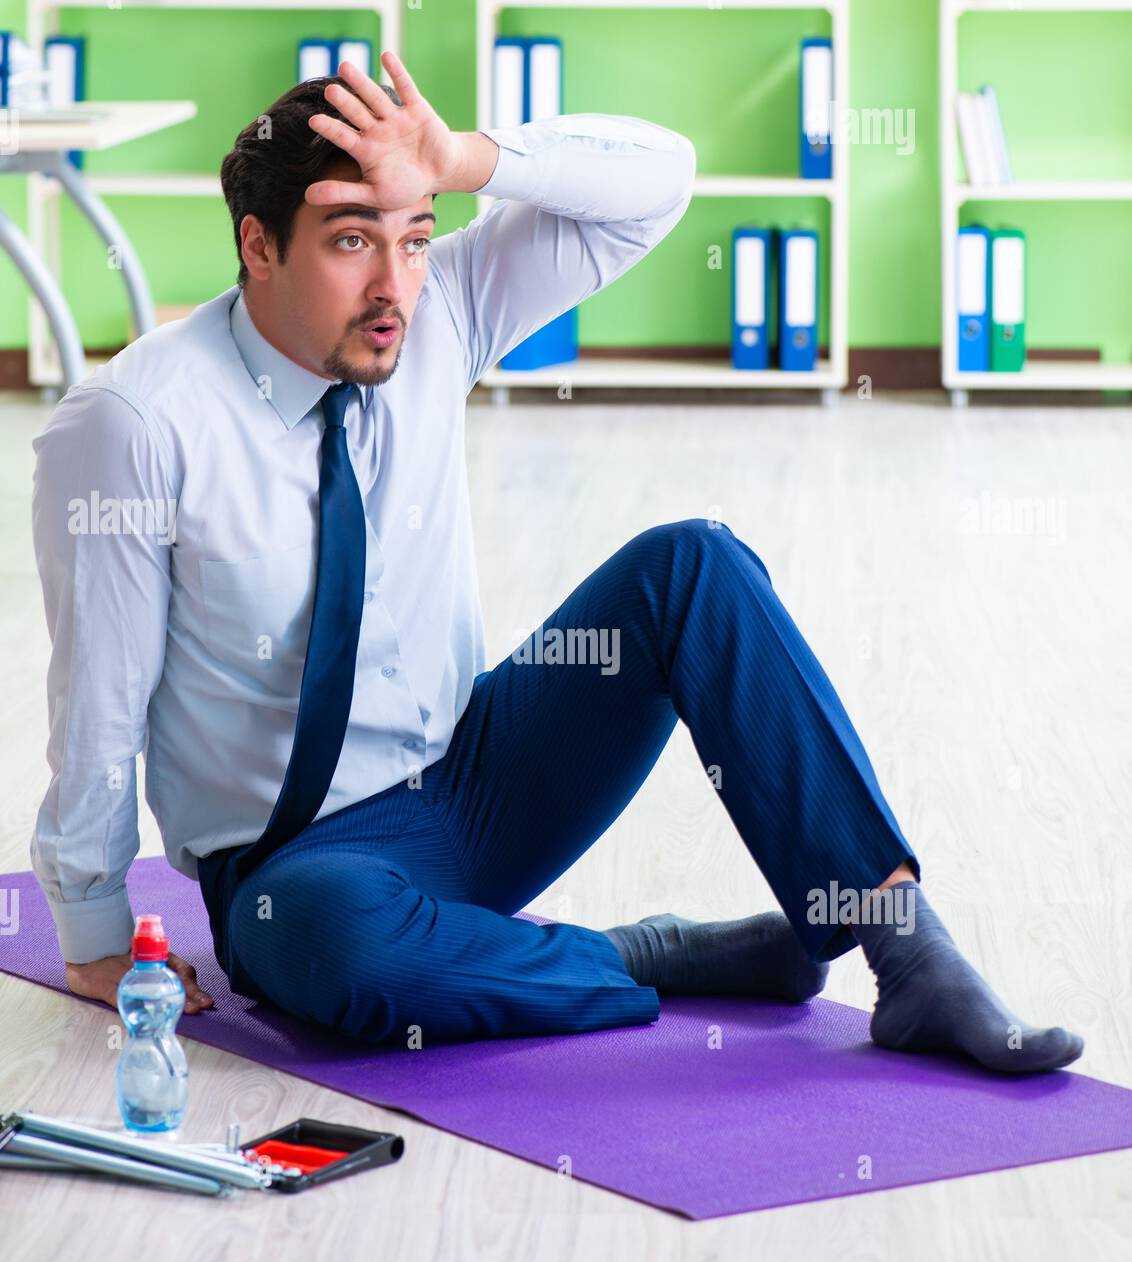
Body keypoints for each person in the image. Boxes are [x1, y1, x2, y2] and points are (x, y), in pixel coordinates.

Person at [30, 53, 1083, 1074]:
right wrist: (94, 924)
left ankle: (910, 954)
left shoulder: (434, 310)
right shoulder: (136, 422)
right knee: (347, 951)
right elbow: (100, 692)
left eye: (415, 237)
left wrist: (462, 157)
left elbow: (657, 181)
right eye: (353, 241)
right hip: (299, 866)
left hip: (476, 779)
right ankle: (655, 953)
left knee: (693, 567)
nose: (395, 283)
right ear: (258, 246)